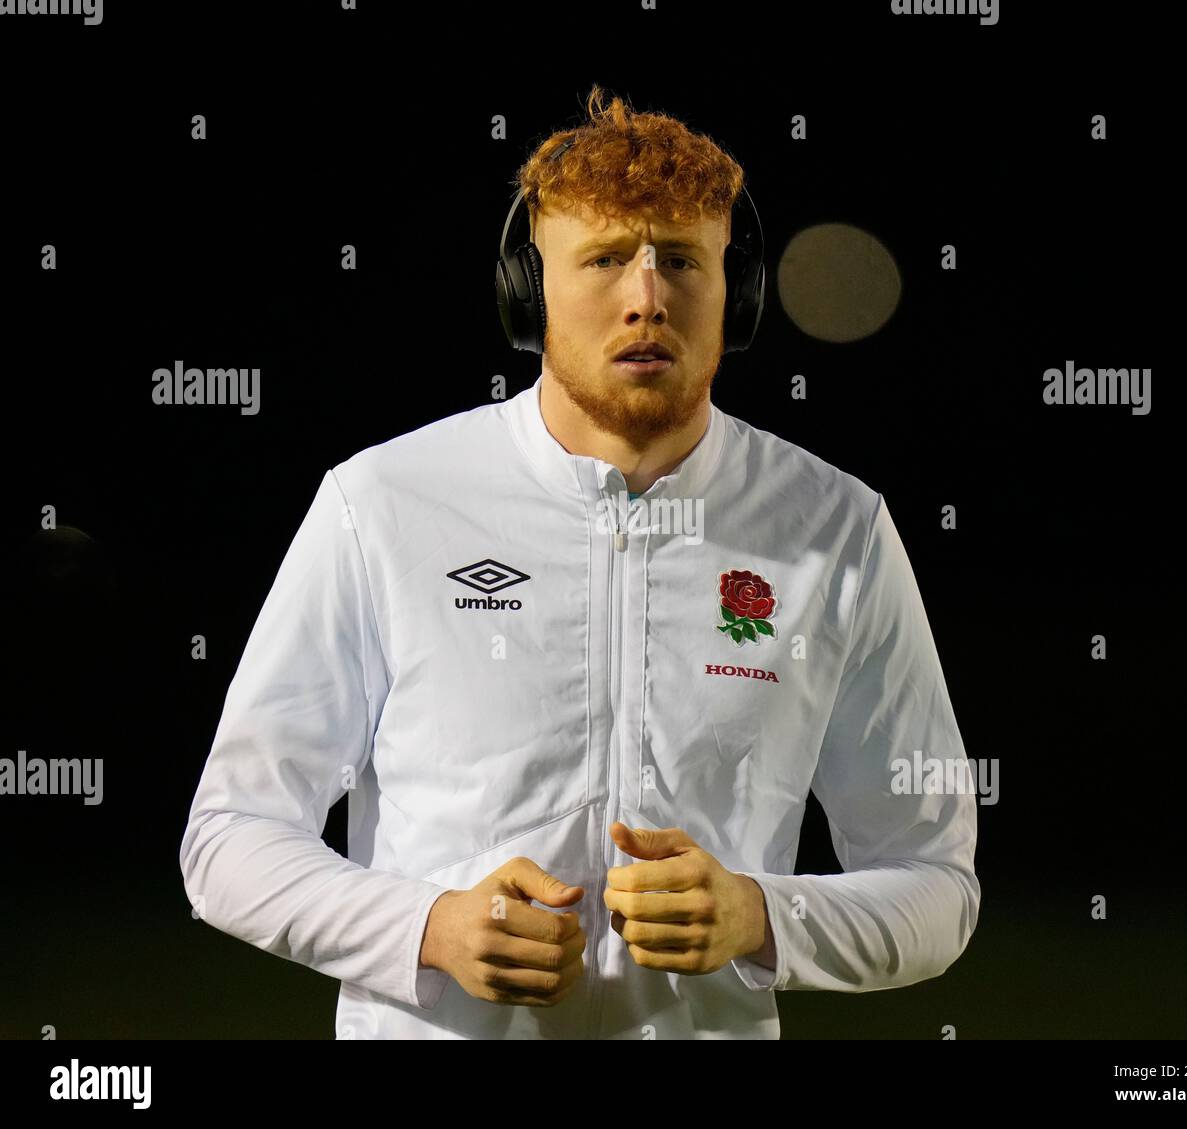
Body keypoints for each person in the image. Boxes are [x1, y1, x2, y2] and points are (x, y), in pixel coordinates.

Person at [179, 85, 980, 1039]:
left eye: (681, 260)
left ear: (740, 290)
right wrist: (426, 927)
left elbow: (938, 885)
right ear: (531, 289)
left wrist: (764, 915)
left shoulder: (839, 529)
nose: (646, 297)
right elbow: (227, 838)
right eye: (604, 259)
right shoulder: (382, 504)